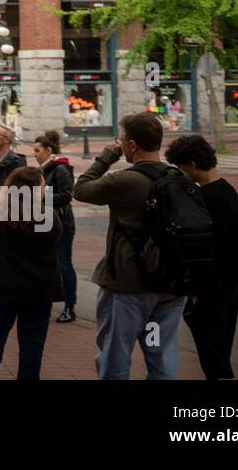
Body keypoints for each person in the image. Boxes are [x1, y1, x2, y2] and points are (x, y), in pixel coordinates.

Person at [73, 111, 185, 380]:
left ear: (132, 145)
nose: (120, 144)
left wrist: (107, 156)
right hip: (172, 284)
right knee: (161, 354)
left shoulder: (125, 180)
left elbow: (81, 188)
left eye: (122, 140)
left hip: (129, 285)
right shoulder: (178, 178)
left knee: (116, 354)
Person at [165, 134, 238, 380]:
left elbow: (207, 249)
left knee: (213, 355)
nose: (183, 173)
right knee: (221, 347)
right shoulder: (228, 191)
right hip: (233, 280)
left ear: (192, 164)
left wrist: (196, 290)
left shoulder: (205, 199)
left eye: (181, 167)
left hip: (212, 286)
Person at [0, 165, 62, 380]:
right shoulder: (49, 219)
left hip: (2, 288)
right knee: (32, 344)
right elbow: (55, 241)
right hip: (37, 290)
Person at [33, 129, 77, 323]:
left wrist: (40, 199)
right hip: (45, 222)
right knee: (46, 263)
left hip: (61, 223)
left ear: (48, 150)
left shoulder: (60, 168)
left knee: (64, 264)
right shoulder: (43, 169)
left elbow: (67, 195)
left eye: (37, 151)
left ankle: (70, 305)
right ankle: (46, 301)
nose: (35, 155)